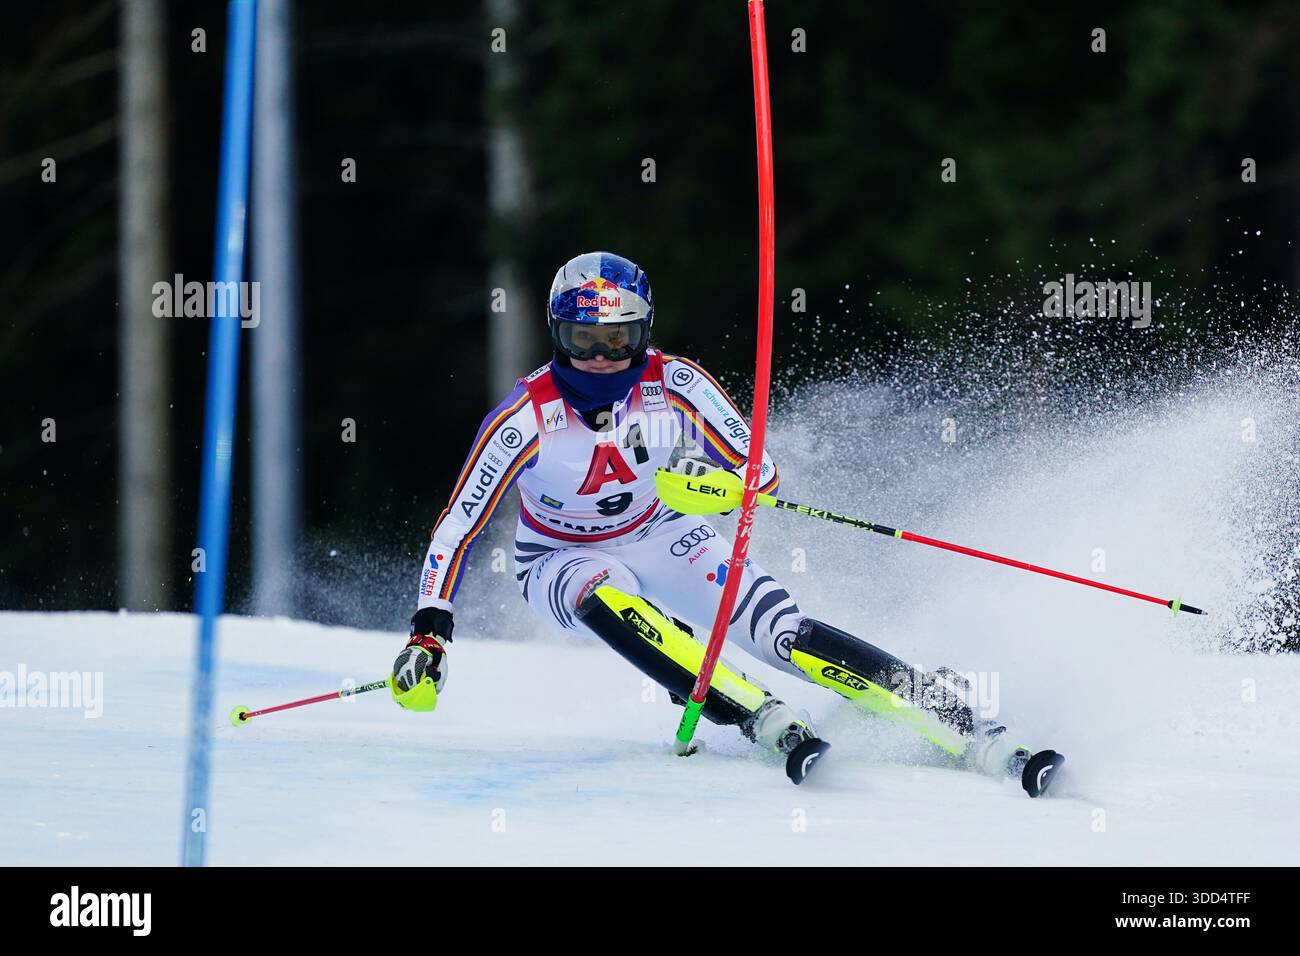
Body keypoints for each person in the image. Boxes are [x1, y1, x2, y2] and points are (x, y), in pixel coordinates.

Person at [389, 251, 1029, 777]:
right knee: (602, 593)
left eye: (620, 338)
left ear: (644, 332)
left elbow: (762, 471)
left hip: (663, 531)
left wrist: (723, 483)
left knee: (783, 632)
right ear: (557, 332)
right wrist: (430, 630)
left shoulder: (676, 384)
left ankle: (953, 717)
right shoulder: (523, 417)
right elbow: (458, 525)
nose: (601, 356)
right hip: (556, 558)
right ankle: (755, 713)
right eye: (583, 338)